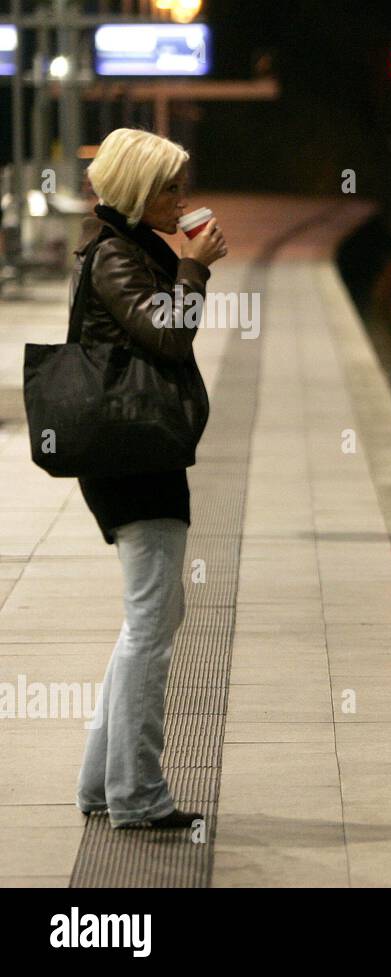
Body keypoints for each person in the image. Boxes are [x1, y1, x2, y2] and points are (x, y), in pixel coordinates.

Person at [71, 128, 227, 830]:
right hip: (134, 457)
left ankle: (103, 785)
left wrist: (188, 264)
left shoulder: (126, 250)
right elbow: (169, 333)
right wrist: (194, 268)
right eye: (170, 187)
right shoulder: (116, 257)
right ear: (136, 193)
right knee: (151, 627)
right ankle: (137, 794)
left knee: (151, 619)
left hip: (138, 453)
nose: (182, 199)